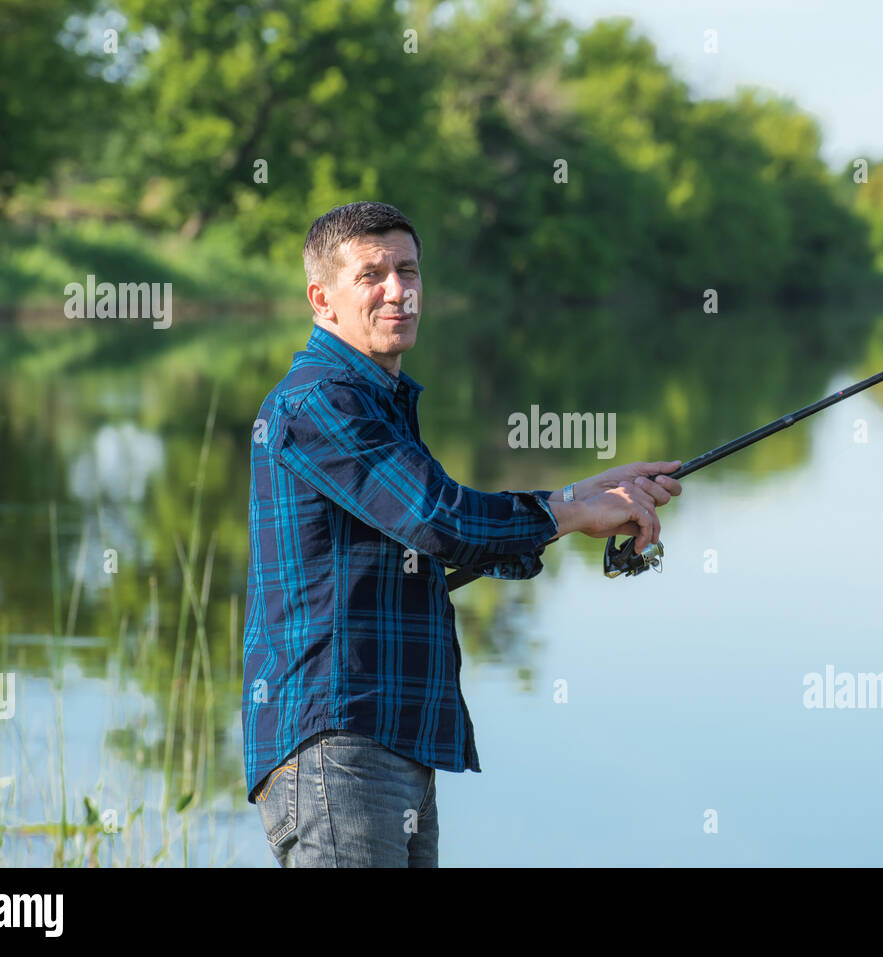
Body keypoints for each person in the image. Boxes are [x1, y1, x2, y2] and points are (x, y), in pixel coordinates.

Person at [242, 201, 681, 867]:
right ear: (322, 298)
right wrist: (568, 511)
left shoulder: (374, 403)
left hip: (391, 742)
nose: (399, 290)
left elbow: (433, 538)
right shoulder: (320, 402)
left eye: (409, 270)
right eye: (372, 275)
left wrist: (578, 497)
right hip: (339, 747)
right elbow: (437, 518)